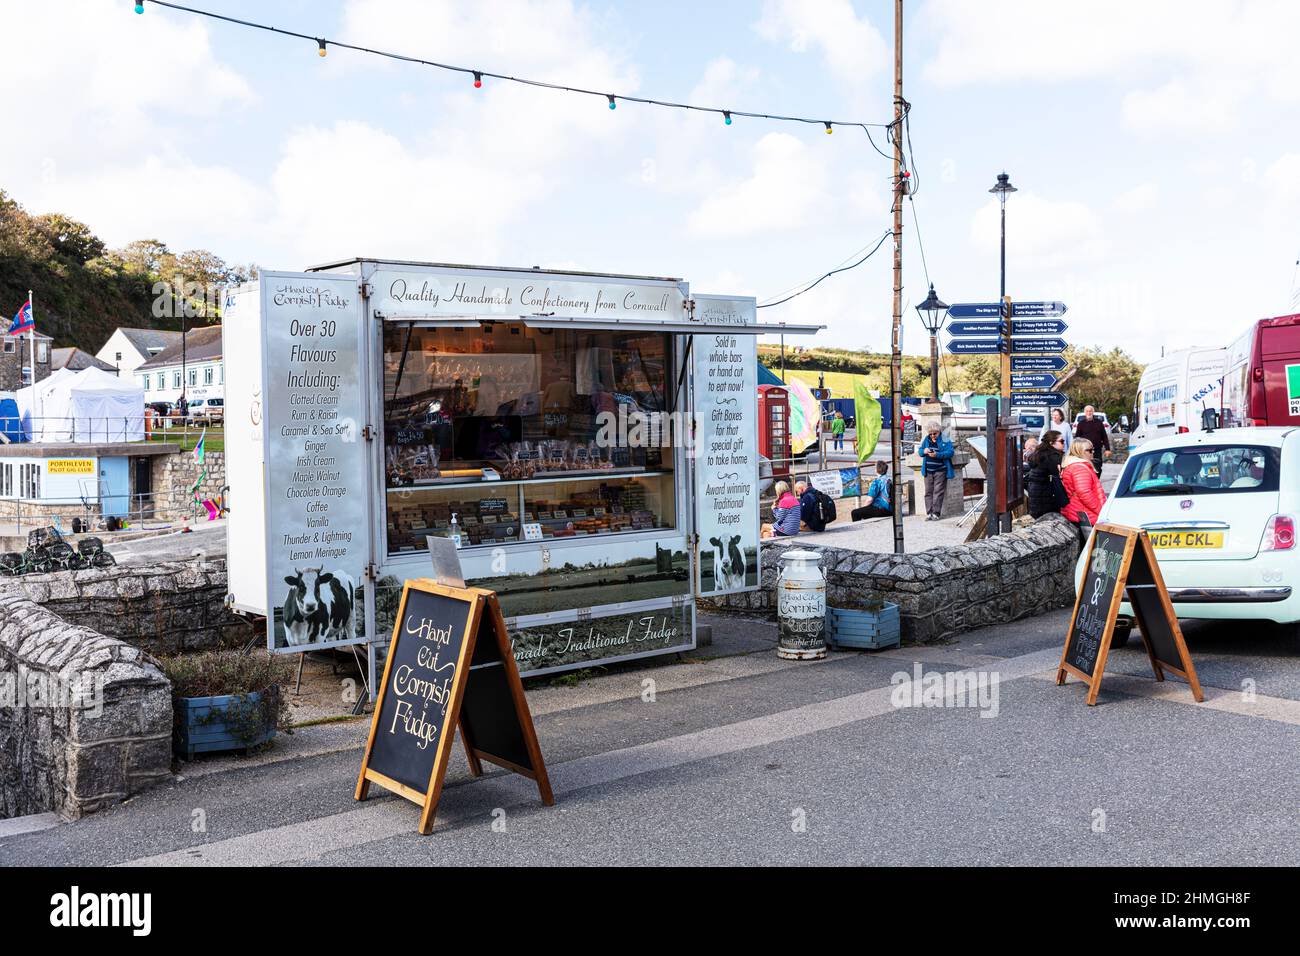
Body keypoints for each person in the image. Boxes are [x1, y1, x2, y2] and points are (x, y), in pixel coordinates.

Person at [1060, 437, 1106, 526]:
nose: (1093, 452)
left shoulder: (1072, 465)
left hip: (1079, 512)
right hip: (1086, 514)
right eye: (1089, 450)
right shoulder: (1079, 468)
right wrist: (1100, 510)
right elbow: (1084, 493)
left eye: (1093, 449)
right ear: (1079, 451)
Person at [1025, 430, 1068, 518]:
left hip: (1036, 498)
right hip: (1047, 500)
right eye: (1061, 441)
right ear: (1052, 443)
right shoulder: (1053, 457)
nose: (1064, 443)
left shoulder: (1039, 454)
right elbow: (1061, 476)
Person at [918, 422, 954, 521]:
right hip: (928, 470)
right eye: (931, 434)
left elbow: (950, 452)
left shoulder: (945, 439)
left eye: (935, 433)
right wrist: (923, 451)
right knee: (928, 492)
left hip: (940, 470)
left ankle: (936, 513)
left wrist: (937, 455)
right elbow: (920, 451)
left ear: (939, 432)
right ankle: (929, 513)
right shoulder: (926, 439)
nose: (933, 436)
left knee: (938, 492)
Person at [1074, 405, 1110, 478]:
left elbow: (1104, 436)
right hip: (1084, 451)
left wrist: (1107, 449)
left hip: (1096, 450)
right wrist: (1076, 450)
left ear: (1093, 412)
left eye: (1090, 411)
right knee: (1085, 468)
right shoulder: (1081, 423)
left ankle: (1096, 482)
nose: (1089, 413)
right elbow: (1077, 438)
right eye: (1087, 411)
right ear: (1084, 412)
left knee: (1098, 468)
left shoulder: (1099, 422)